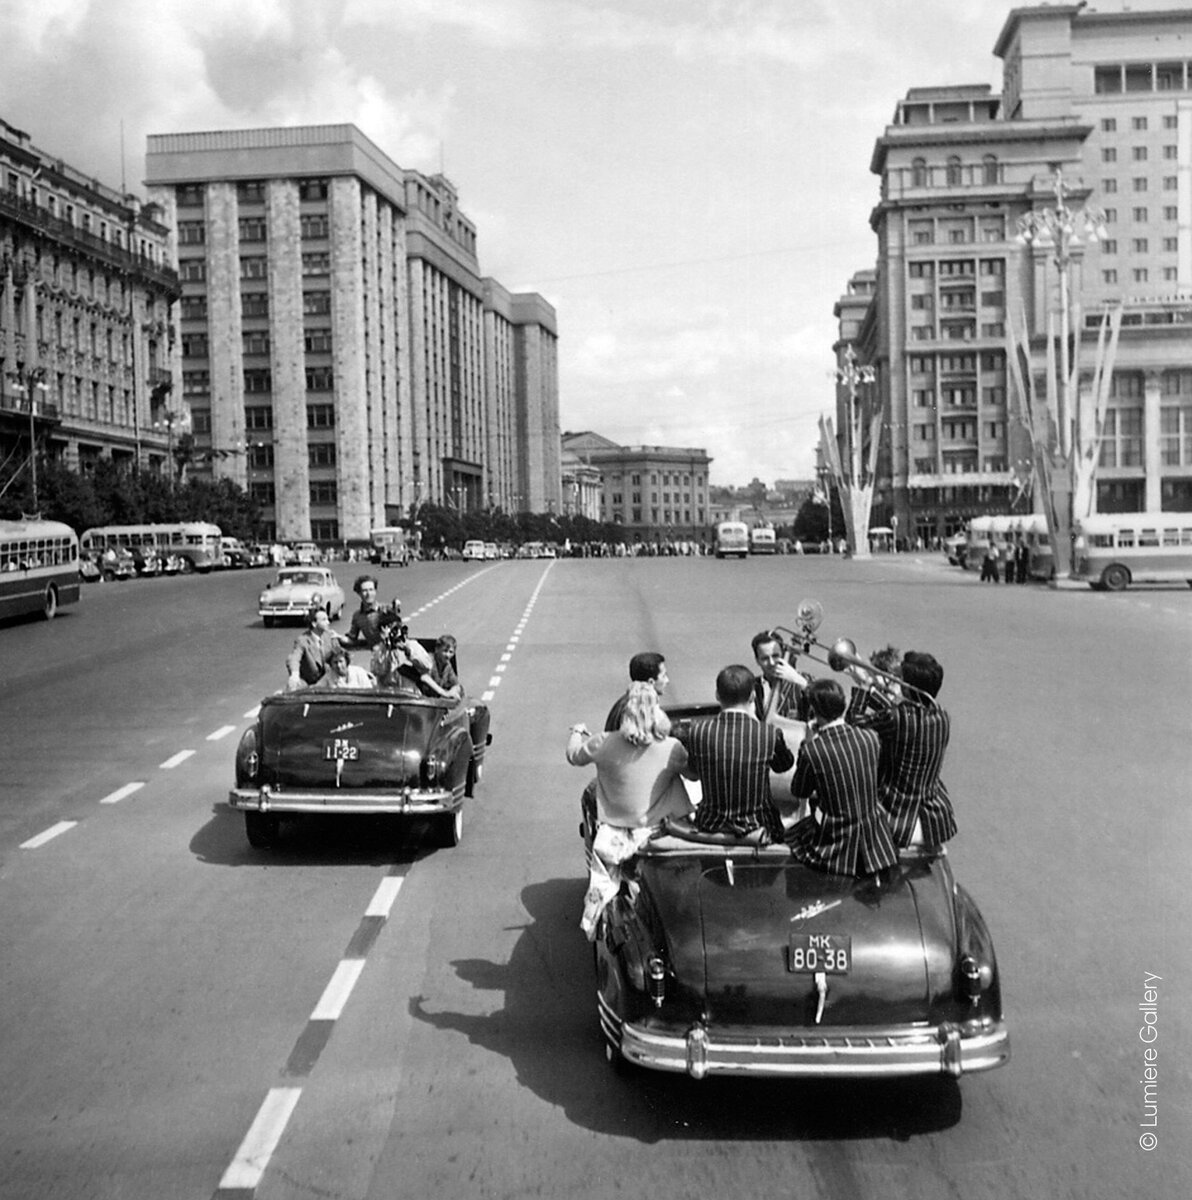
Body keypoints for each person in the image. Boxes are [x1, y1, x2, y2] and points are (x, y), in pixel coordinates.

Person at [567, 681, 692, 938]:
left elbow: (573, 756)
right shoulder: (671, 748)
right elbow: (692, 775)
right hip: (657, 833)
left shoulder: (603, 742)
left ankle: (597, 921)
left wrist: (578, 732)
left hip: (612, 834)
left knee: (601, 882)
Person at [786, 679, 898, 876]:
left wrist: (809, 740)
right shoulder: (870, 737)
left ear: (814, 710)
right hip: (875, 836)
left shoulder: (813, 750)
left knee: (791, 835)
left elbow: (799, 790)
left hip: (838, 842)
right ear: (843, 705)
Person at [853, 651, 958, 848]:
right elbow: (902, 715)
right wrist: (874, 691)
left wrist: (864, 689)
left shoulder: (897, 717)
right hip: (933, 814)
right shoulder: (943, 717)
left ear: (909, 688)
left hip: (895, 812)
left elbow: (854, 722)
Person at [679, 664, 794, 841]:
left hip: (710, 824)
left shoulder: (698, 731)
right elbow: (784, 765)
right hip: (758, 825)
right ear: (753, 696)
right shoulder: (768, 733)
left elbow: (695, 772)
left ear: (718, 695)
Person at [750, 630, 810, 724]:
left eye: (775, 656)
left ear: (783, 654)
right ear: (757, 660)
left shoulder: (803, 679)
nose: (771, 662)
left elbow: (827, 703)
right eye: (765, 658)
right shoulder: (751, 686)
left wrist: (799, 680)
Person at [369, 607, 435, 690]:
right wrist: (388, 649)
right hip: (389, 693)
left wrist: (408, 651)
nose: (394, 633)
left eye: (396, 629)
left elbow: (427, 666)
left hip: (409, 691)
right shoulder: (380, 650)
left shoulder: (412, 645)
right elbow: (378, 671)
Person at [604, 651, 668, 731]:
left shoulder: (622, 704)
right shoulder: (639, 708)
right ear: (651, 682)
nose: (667, 680)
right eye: (664, 676)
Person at [285, 606, 338, 690]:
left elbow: (340, 654)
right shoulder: (302, 640)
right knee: (294, 688)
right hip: (308, 682)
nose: (328, 622)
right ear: (314, 623)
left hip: (329, 680)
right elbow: (294, 658)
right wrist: (295, 674)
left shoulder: (330, 636)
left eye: (327, 619)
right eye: (324, 620)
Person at [341, 575, 386, 648]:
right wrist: (338, 637)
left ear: (375, 591)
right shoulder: (357, 616)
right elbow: (352, 639)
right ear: (359, 593)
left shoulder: (385, 610)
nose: (368, 594)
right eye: (365, 591)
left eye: (371, 590)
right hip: (377, 655)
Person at [421, 634, 462, 699]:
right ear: (437, 649)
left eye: (451, 652)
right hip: (422, 697)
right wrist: (444, 693)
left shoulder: (447, 665)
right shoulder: (429, 660)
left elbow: (456, 685)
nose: (448, 655)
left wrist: (452, 692)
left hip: (435, 698)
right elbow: (424, 677)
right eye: (445, 651)